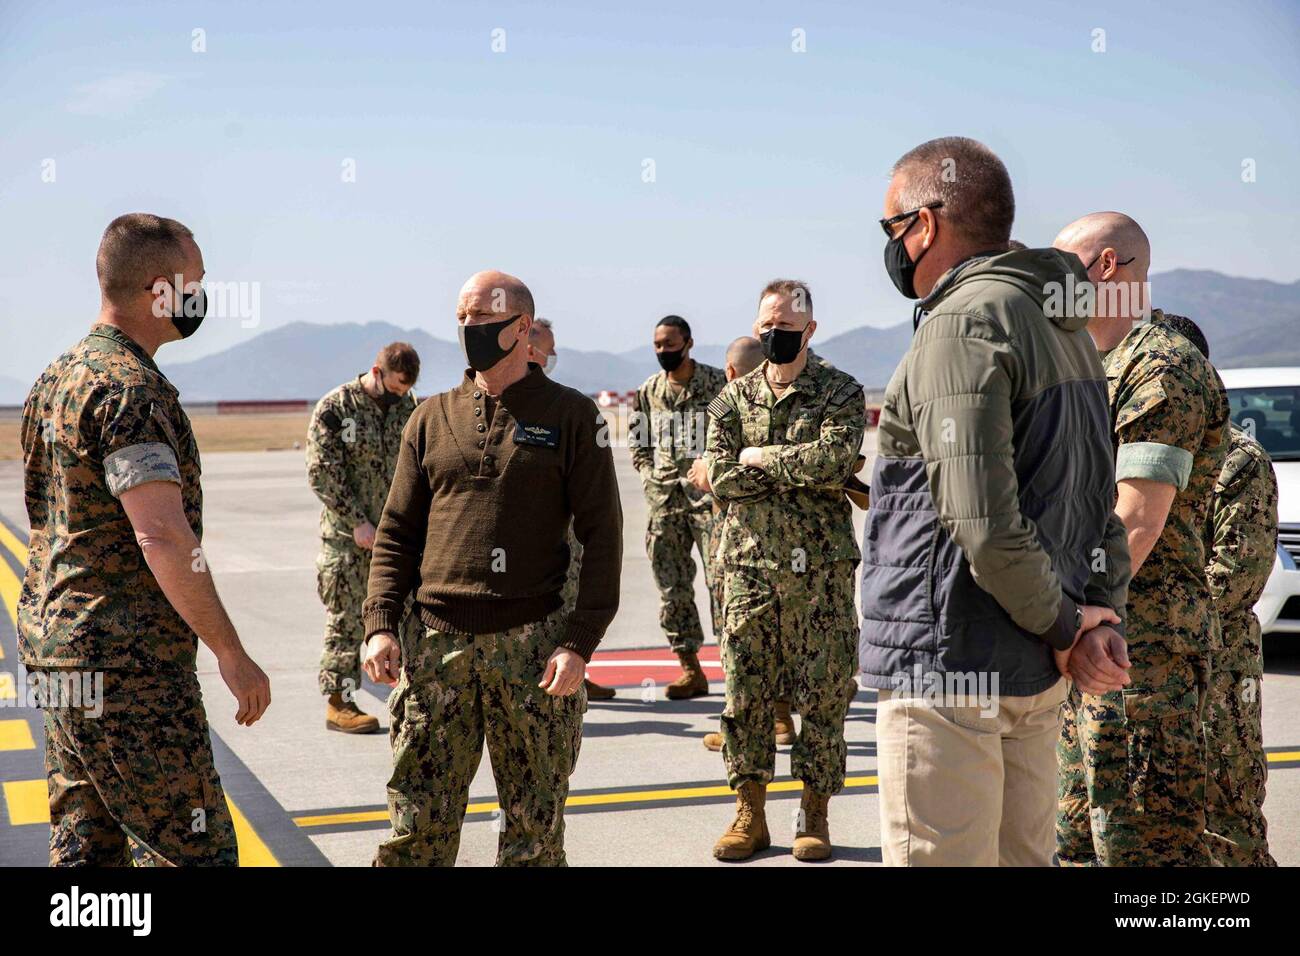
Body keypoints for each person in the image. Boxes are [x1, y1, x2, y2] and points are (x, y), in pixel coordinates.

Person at [860, 138, 1130, 867]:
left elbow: (982, 523)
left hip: (952, 664)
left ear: (923, 225)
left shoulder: (962, 322)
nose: (889, 247)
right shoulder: (1063, 327)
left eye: (890, 228)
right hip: (1029, 671)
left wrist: (1070, 626)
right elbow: (1096, 500)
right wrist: (1094, 615)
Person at [18, 213, 270, 865]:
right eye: (197, 282)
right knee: (196, 849)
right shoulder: (129, 389)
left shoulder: (55, 378)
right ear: (161, 292)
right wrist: (230, 651)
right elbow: (159, 533)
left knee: (89, 847)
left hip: (61, 656)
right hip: (126, 666)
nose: (203, 296)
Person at [362, 270, 622, 866]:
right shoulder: (429, 418)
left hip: (532, 649)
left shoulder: (572, 415)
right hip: (435, 647)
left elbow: (602, 536)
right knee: (416, 826)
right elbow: (398, 529)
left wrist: (580, 642)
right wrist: (380, 622)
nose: (469, 329)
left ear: (522, 328)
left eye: (483, 318)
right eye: (462, 318)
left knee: (533, 831)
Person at [1054, 212, 1230, 866]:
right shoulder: (1086, 365)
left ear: (1104, 268)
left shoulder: (1160, 366)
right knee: (1075, 838)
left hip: (1142, 654)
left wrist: (1070, 616)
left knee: (1144, 852)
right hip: (1088, 638)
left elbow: (1137, 520)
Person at [705, 279, 865, 862]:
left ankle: (814, 813)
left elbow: (836, 458)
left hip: (819, 573)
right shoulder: (730, 400)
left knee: (823, 695)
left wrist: (761, 457)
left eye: (787, 328)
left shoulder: (840, 391)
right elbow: (719, 476)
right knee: (745, 696)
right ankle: (750, 813)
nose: (775, 335)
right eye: (767, 325)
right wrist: (797, 470)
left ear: (810, 331)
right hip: (747, 568)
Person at [1153, 312, 1277, 866]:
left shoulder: (1239, 460)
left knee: (1226, 822)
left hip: (1216, 671)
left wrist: (1147, 607)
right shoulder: (1127, 448)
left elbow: (1238, 573)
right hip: (1144, 667)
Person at [307, 343, 420, 733]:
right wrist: (357, 521)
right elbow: (322, 472)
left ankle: (411, 697)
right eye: (396, 387)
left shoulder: (408, 407)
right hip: (348, 541)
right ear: (377, 371)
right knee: (346, 623)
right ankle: (340, 703)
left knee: (405, 619)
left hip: (395, 539)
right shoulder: (337, 409)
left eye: (407, 390)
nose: (401, 396)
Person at [695, 336, 794, 751]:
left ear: (731, 372)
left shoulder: (733, 406)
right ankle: (782, 716)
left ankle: (753, 727)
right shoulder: (794, 401)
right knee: (784, 628)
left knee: (737, 636)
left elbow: (717, 476)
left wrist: (705, 474)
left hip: (740, 540)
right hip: (793, 542)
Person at [629, 316, 728, 699]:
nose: (663, 352)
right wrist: (648, 475)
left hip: (708, 501)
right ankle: (690, 668)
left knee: (720, 584)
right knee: (672, 588)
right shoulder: (649, 391)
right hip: (665, 502)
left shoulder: (716, 383)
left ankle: (734, 670)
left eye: (670, 344)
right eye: (657, 345)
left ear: (688, 343)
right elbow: (639, 442)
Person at [528, 318, 616, 701]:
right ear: (530, 348)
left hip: (570, 539)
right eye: (549, 348)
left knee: (573, 603)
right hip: (541, 547)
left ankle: (577, 664)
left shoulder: (568, 407)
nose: (553, 356)